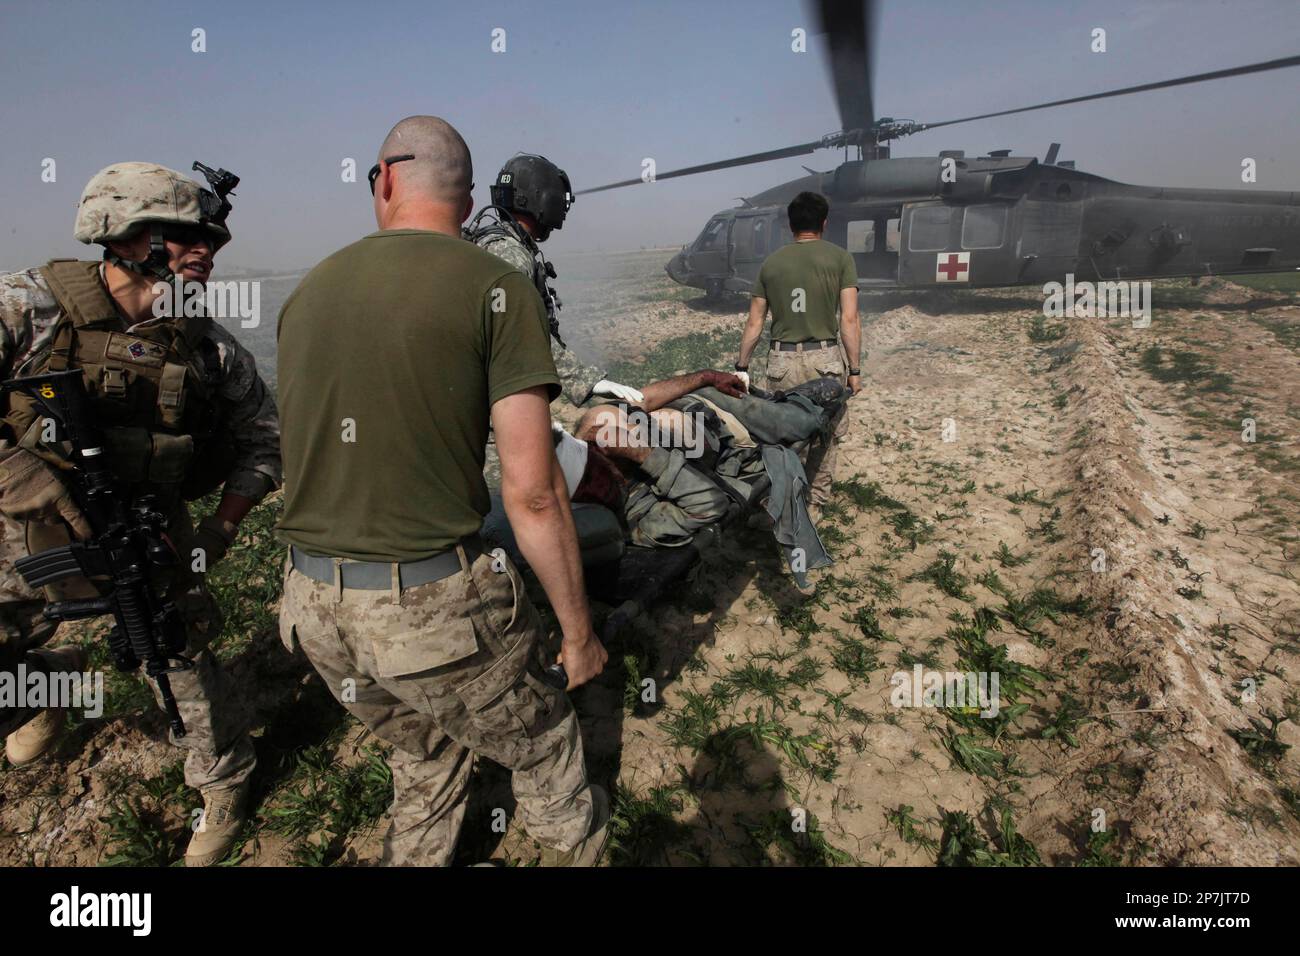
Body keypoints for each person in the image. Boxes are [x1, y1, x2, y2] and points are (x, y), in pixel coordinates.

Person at [276, 116, 610, 866]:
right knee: (547, 740)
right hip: (429, 616)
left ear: (385, 181)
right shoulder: (495, 287)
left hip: (312, 615)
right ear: (465, 199)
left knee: (424, 752)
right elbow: (532, 495)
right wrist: (579, 636)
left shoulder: (308, 290)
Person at [0, 161, 282, 866]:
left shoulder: (201, 343)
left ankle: (221, 781)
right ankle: (44, 685)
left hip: (143, 529)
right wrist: (14, 470)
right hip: (20, 532)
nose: (205, 254)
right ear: (123, 235)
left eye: (211, 241)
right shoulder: (26, 309)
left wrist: (221, 526)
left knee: (173, 651)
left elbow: (265, 438)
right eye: (185, 235)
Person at [468, 153, 643, 407]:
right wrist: (587, 380)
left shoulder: (502, 245)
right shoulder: (507, 253)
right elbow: (518, 331)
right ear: (544, 200)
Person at [734, 191, 861, 515]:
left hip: (782, 362)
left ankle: (783, 505)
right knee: (824, 436)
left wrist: (742, 367)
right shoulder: (840, 258)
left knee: (780, 438)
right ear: (824, 223)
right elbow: (848, 320)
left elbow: (754, 322)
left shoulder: (771, 263)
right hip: (824, 360)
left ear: (791, 225)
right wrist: (855, 371)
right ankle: (814, 505)